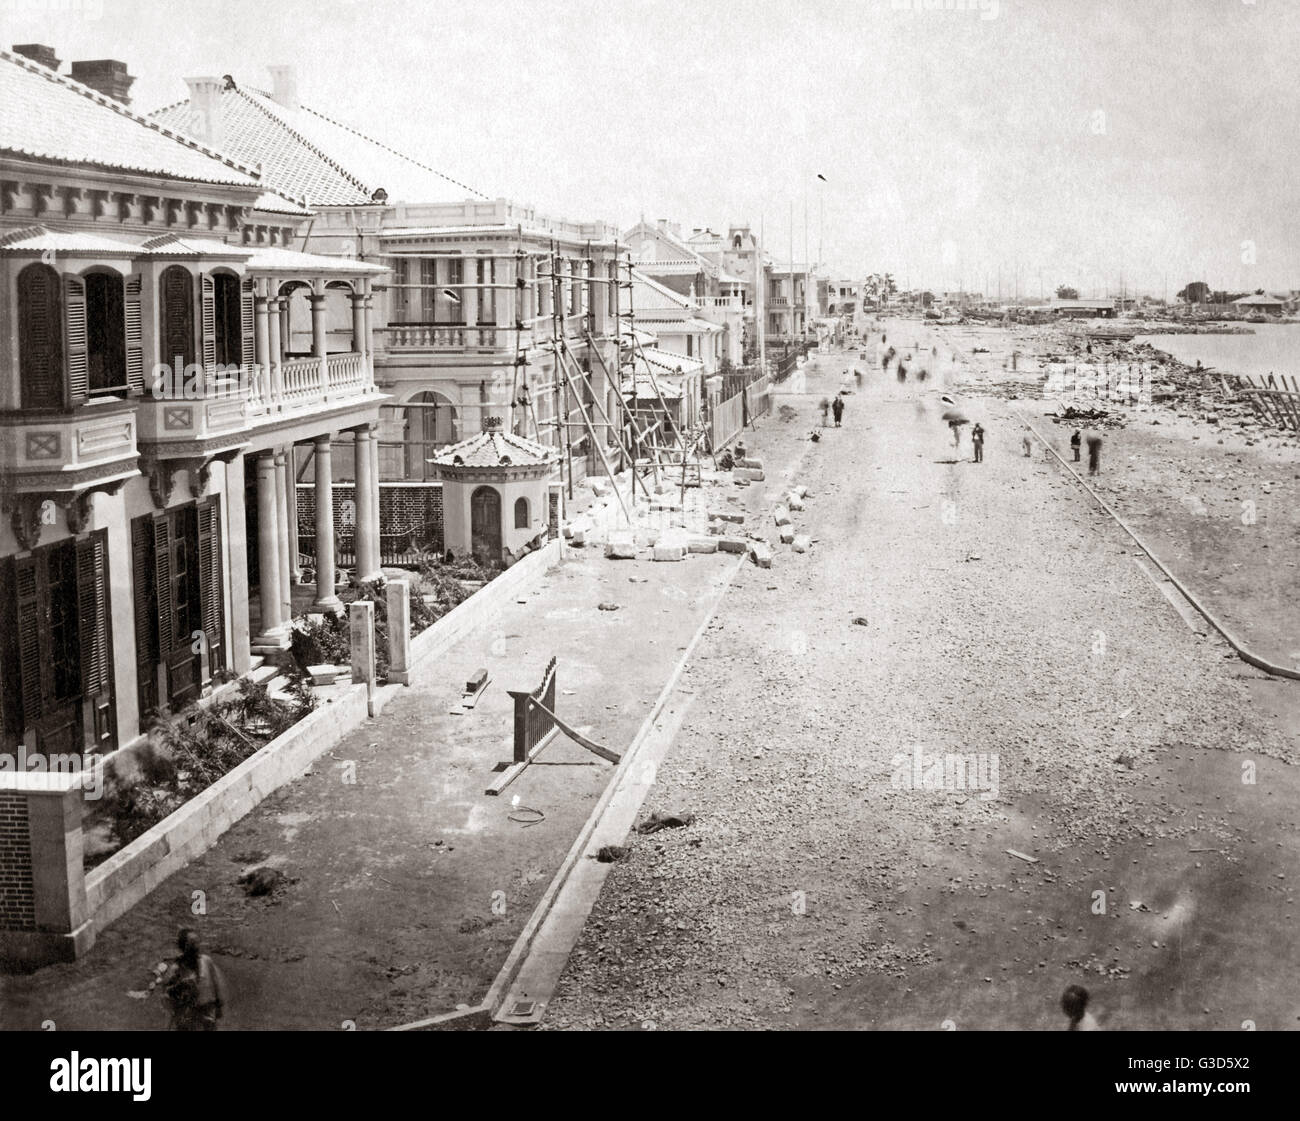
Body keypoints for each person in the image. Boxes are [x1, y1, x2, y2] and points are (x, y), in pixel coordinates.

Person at [162, 928, 225, 1031]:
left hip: (207, 1013)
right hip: (187, 1016)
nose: (196, 947)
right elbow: (166, 994)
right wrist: (180, 985)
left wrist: (219, 1006)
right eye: (191, 944)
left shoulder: (206, 961)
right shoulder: (176, 968)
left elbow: (215, 984)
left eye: (197, 942)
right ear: (183, 947)